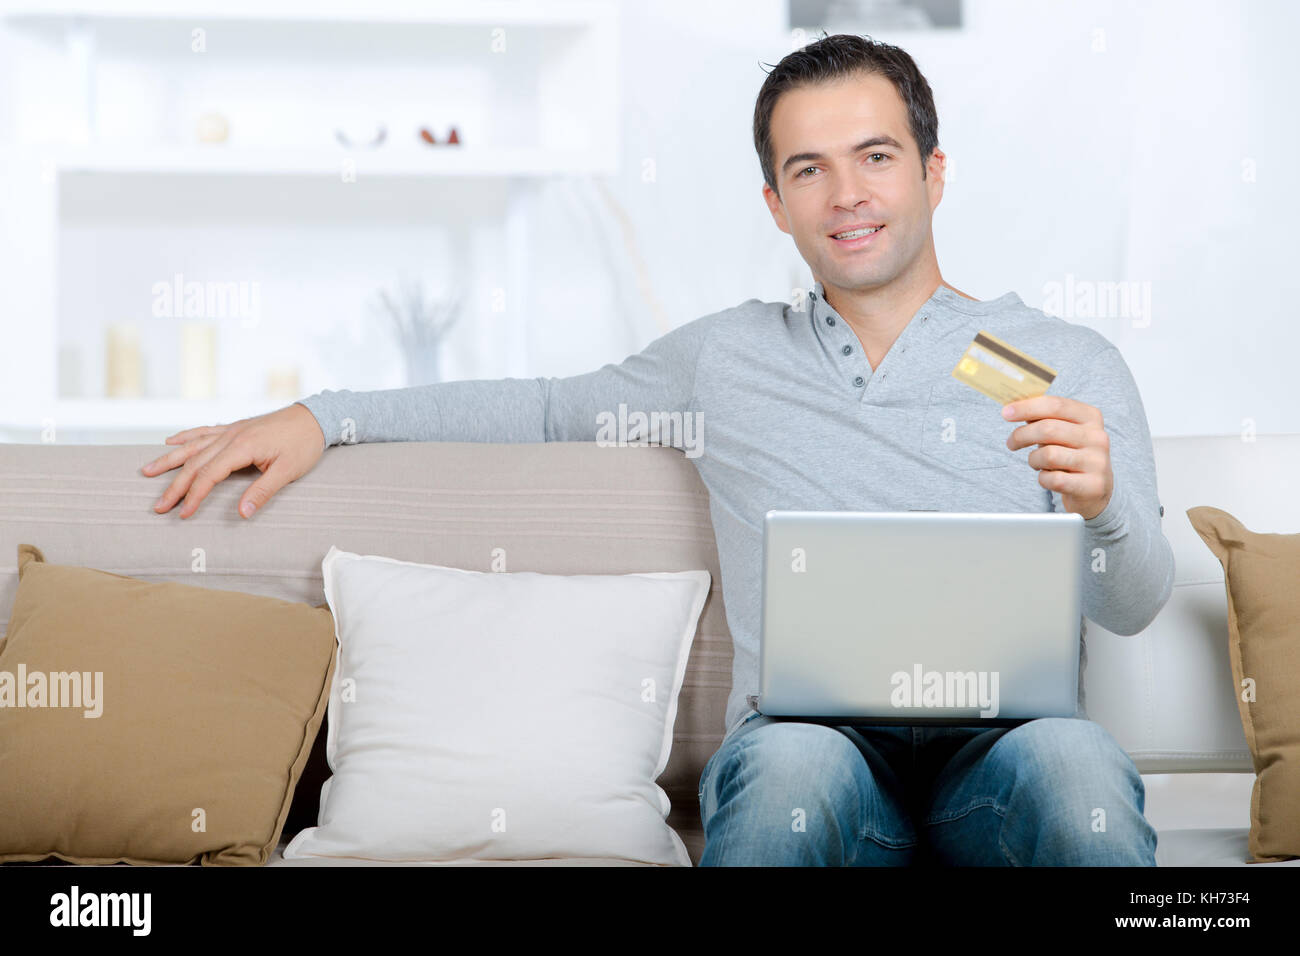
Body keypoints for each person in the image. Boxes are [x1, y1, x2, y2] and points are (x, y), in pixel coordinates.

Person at [142, 33, 1172, 866]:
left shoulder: (1060, 360)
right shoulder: (727, 359)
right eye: (807, 169)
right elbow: (546, 407)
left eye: (875, 156)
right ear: (776, 203)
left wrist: (1105, 503)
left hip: (1005, 756)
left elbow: (1133, 602)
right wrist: (326, 414)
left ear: (932, 173)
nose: (846, 194)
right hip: (807, 746)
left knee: (1077, 766)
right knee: (788, 777)